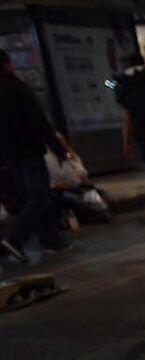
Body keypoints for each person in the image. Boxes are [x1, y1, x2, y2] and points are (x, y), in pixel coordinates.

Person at [0, 48, 71, 261]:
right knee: (38, 197)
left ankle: (50, 240)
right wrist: (59, 148)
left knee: (34, 197)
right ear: (6, 64)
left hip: (9, 155)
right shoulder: (17, 88)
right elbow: (39, 121)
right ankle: (14, 240)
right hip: (28, 151)